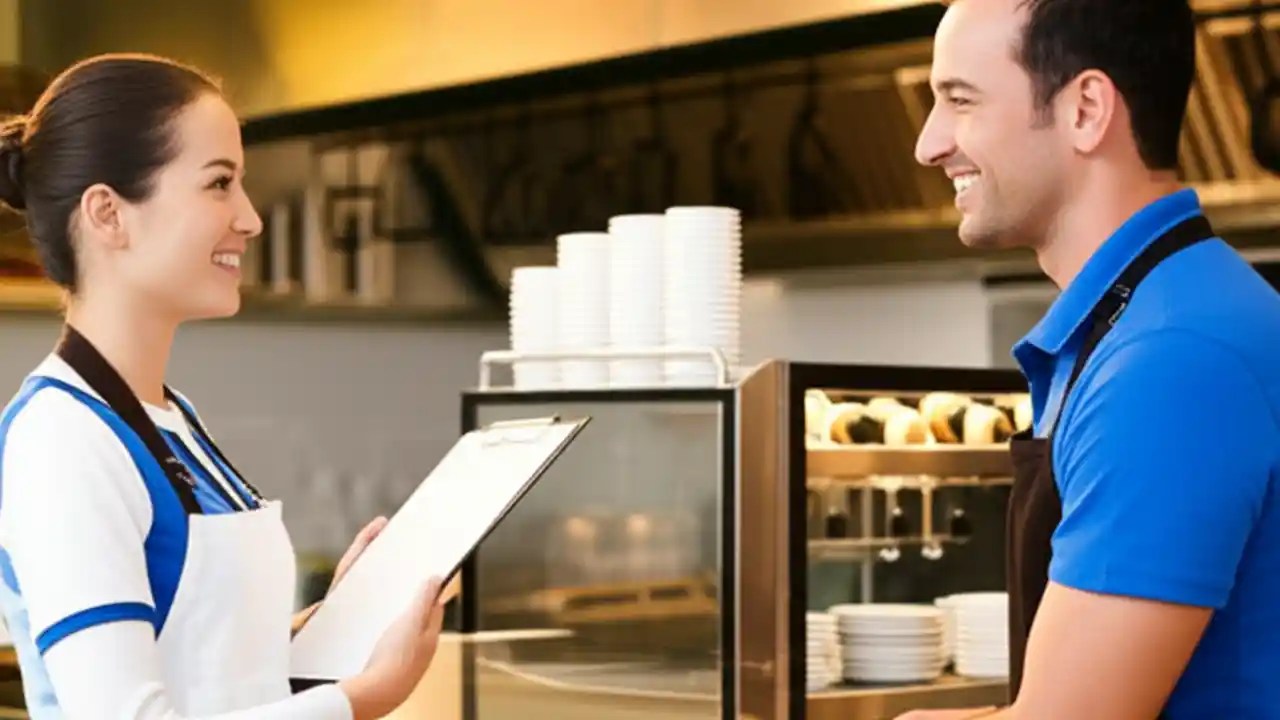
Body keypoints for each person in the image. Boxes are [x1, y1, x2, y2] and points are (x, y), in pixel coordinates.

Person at [0, 54, 446, 719]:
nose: (250, 218)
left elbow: (205, 670)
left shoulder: (171, 419)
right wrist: (361, 698)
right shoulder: (61, 441)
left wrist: (339, 626)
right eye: (218, 183)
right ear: (108, 214)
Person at [899, 1, 1280, 718]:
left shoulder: (1169, 364)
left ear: (1086, 110)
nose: (928, 144)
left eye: (959, 100)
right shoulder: (1147, 319)